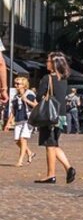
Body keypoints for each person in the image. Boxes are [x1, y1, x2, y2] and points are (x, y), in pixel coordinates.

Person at [36, 52, 76, 184]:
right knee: (54, 144)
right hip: (61, 115)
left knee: (49, 145)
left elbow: (39, 97)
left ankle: (50, 174)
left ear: (54, 64)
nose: (46, 62)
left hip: (50, 116)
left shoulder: (47, 78)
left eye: (48, 61)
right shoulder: (63, 80)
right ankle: (68, 168)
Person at [9, 75, 36, 167]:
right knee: (17, 140)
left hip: (28, 119)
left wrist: (27, 100)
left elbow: (36, 105)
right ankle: (30, 153)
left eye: (18, 83)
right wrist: (9, 121)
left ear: (24, 85)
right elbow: (13, 110)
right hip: (18, 119)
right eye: (15, 83)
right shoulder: (16, 96)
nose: (16, 85)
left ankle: (20, 161)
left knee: (22, 139)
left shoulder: (29, 94)